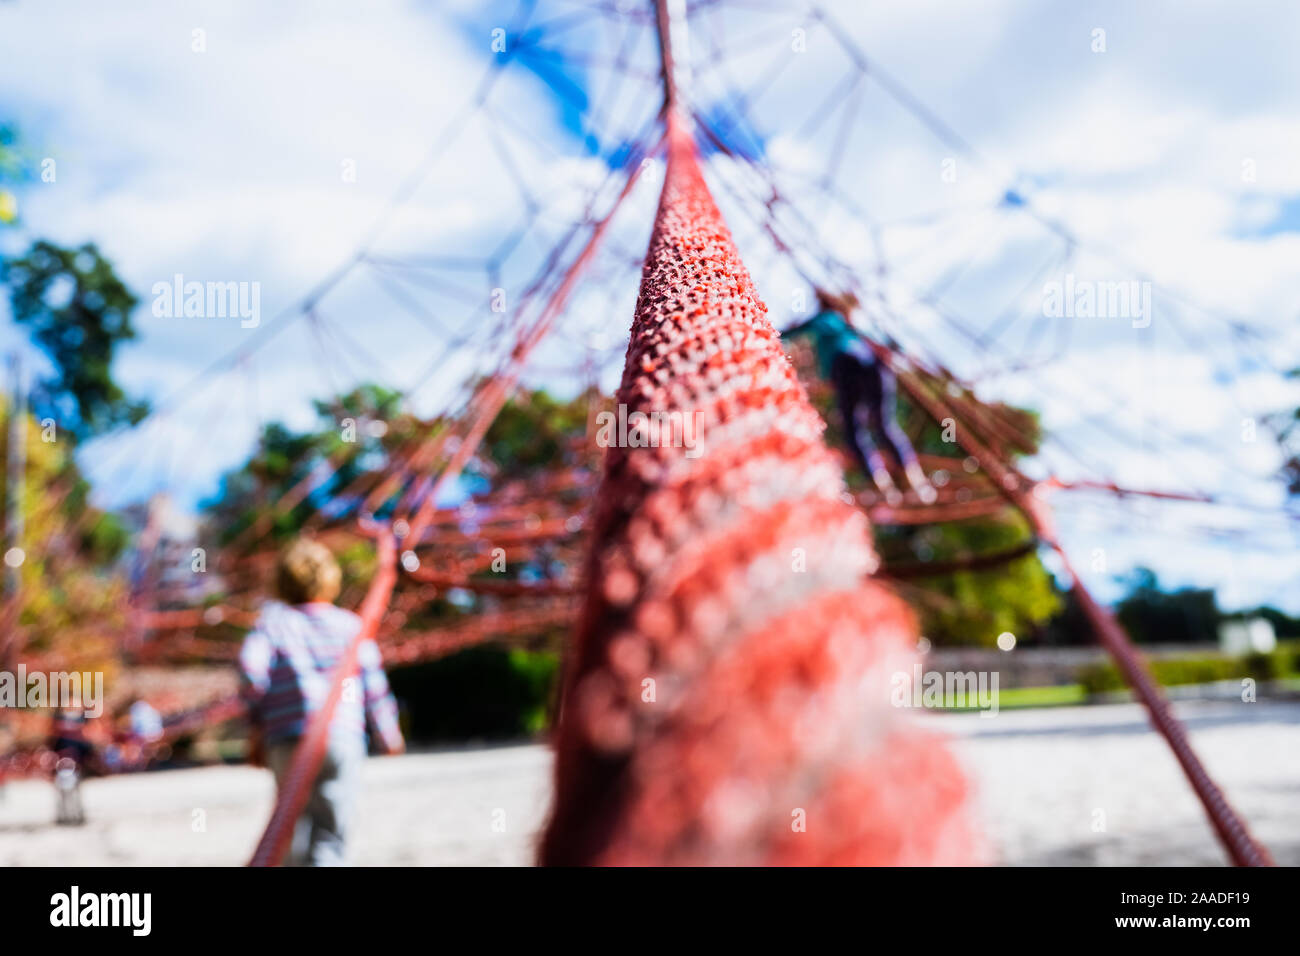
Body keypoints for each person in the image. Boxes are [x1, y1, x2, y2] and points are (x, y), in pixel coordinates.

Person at [238, 537, 404, 866]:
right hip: (341, 736)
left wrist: (258, 722)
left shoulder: (273, 625)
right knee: (330, 823)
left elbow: (250, 671)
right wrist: (388, 732)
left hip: (286, 738)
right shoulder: (349, 625)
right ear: (331, 579)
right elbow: (373, 683)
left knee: (290, 822)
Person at [783, 292, 936, 505]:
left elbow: (797, 330)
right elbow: (889, 345)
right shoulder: (854, 328)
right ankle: (917, 482)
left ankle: (883, 486)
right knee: (885, 425)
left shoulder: (829, 319)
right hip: (875, 369)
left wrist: (777, 332)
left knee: (854, 429)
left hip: (847, 368)